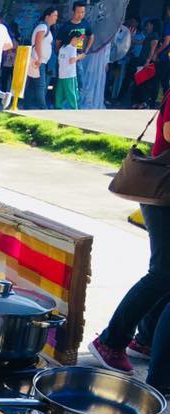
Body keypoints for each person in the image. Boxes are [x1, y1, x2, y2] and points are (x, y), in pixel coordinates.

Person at [90, 91, 170, 381]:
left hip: (162, 192)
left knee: (166, 274)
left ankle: (146, 338)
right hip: (162, 192)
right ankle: (111, 341)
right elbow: (168, 131)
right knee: (162, 273)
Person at [57, 1, 94, 99]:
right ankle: (64, 103)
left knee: (79, 81)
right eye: (78, 12)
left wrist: (86, 50)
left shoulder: (85, 23)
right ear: (73, 11)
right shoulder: (66, 26)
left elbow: (91, 36)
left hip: (78, 57)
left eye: (83, 12)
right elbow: (58, 41)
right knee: (65, 80)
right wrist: (59, 54)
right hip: (66, 58)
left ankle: (77, 102)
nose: (80, 15)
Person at [25, 8, 57, 109]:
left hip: (37, 60)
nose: (56, 18)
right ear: (47, 16)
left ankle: (27, 107)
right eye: (54, 15)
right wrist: (39, 57)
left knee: (32, 86)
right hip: (38, 61)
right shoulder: (43, 27)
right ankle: (43, 108)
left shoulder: (44, 27)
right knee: (40, 86)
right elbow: (38, 42)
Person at [133, 19, 162, 108]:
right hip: (142, 60)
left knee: (143, 83)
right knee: (139, 82)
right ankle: (139, 102)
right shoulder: (149, 35)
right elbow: (139, 42)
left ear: (152, 25)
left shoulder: (155, 36)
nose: (146, 27)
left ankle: (143, 103)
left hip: (146, 62)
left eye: (148, 25)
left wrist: (147, 61)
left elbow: (152, 49)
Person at [56, 30, 85, 108]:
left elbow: (59, 61)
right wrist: (80, 56)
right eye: (78, 39)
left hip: (61, 74)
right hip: (70, 74)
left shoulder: (62, 47)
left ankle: (58, 108)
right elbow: (71, 61)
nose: (79, 42)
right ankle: (74, 109)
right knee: (72, 93)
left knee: (60, 94)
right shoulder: (72, 48)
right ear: (74, 38)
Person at [0, 22, 20, 92]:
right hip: (14, 60)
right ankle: (11, 95)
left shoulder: (12, 37)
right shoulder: (18, 37)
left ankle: (3, 94)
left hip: (8, 60)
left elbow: (11, 47)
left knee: (4, 79)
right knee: (11, 79)